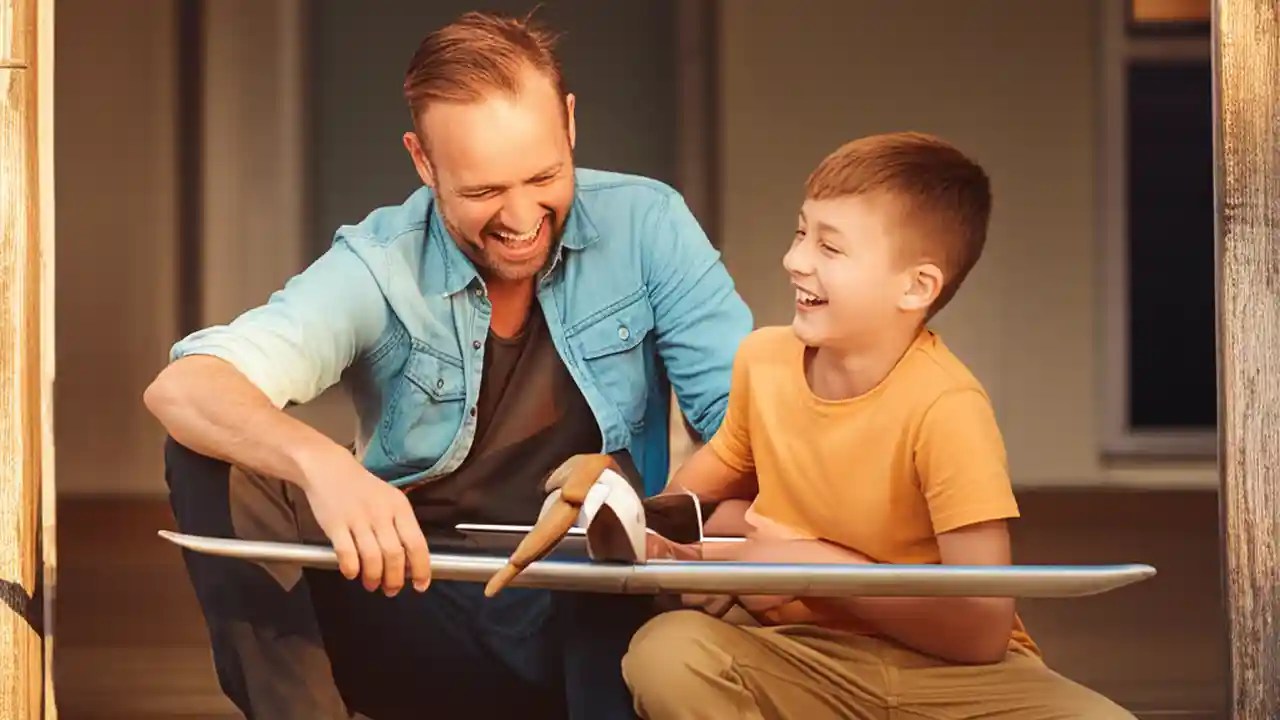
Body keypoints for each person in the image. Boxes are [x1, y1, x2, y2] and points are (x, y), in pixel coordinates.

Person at [143, 10, 752, 720]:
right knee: (216, 456)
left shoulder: (648, 226)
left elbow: (751, 425)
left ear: (570, 123)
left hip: (593, 606)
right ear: (424, 163)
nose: (523, 216)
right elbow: (184, 387)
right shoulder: (377, 264)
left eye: (544, 176)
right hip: (413, 598)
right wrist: (326, 467)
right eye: (484, 192)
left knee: (627, 600)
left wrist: (687, 527)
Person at [622, 132, 1135, 719]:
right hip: (802, 659)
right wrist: (690, 553)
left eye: (830, 248)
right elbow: (686, 503)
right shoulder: (762, 362)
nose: (795, 260)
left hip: (952, 680)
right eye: (800, 231)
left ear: (916, 286)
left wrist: (820, 570)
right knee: (667, 655)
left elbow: (982, 629)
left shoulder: (948, 408)